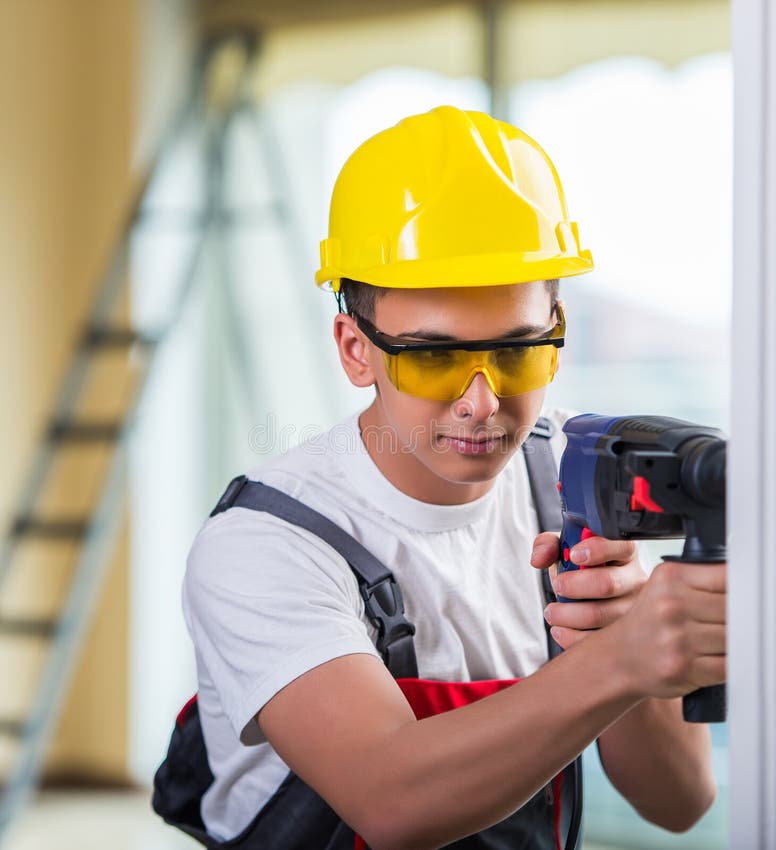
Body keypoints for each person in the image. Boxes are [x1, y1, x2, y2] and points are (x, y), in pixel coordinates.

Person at [181, 106, 726, 849]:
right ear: (355, 348)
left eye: (517, 351)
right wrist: (615, 664)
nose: (482, 401)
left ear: (557, 334)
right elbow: (389, 801)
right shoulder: (265, 542)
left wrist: (627, 648)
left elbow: (681, 800)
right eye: (435, 357)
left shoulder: (569, 479)